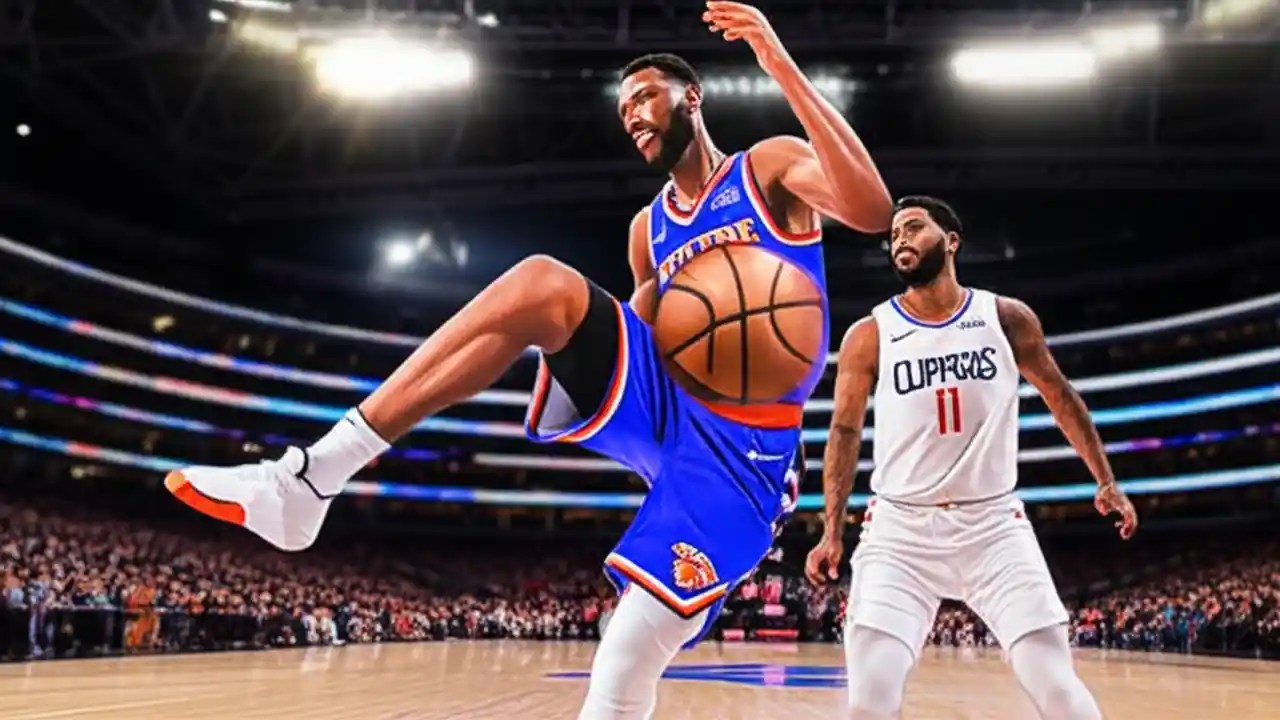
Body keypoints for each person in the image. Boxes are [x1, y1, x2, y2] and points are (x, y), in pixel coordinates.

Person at [164, 2, 890, 718]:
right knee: (541, 282)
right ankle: (312, 476)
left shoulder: (766, 168)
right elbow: (637, 328)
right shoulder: (649, 228)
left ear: (691, 97)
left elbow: (871, 210)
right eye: (623, 109)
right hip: (672, 406)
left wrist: (775, 62)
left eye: (645, 97)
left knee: (627, 654)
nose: (633, 116)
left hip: (745, 451)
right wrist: (558, 340)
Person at [804, 196, 1139, 720]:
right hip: (900, 531)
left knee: (1056, 686)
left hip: (993, 524)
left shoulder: (1005, 317)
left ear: (951, 241)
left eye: (914, 228)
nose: (900, 239)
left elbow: (1060, 395)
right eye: (894, 235)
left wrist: (1106, 479)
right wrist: (832, 530)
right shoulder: (870, 334)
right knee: (869, 701)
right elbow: (845, 430)